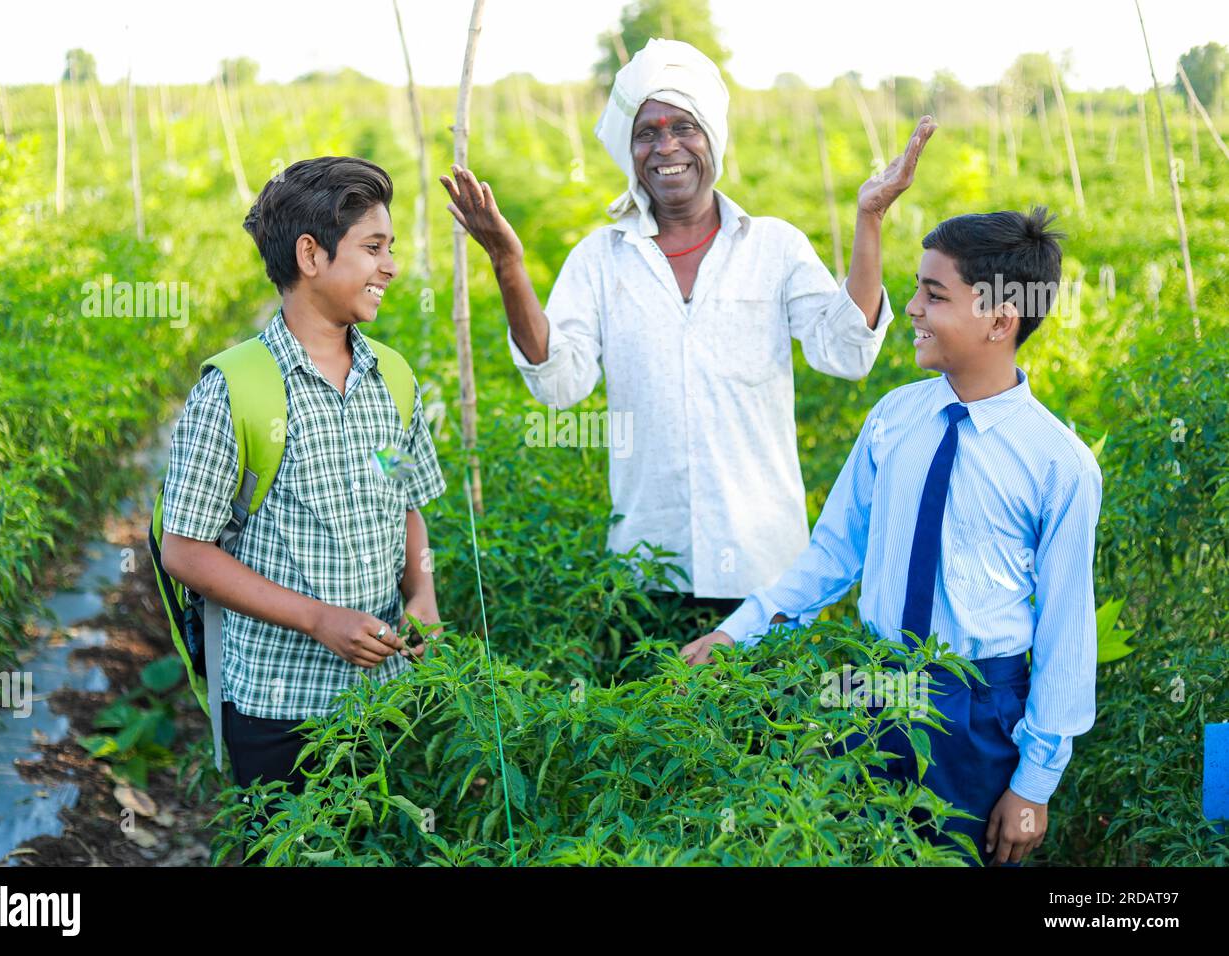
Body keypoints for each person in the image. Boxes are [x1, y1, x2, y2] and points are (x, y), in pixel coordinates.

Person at [441, 38, 935, 625]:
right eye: (646, 132)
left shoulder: (773, 247)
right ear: (630, 152)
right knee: (655, 715)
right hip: (649, 571)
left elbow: (847, 351)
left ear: (712, 140)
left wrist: (870, 218)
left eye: (683, 126)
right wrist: (506, 261)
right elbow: (559, 385)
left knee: (763, 717)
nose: (666, 146)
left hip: (765, 571)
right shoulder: (601, 258)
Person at [682, 207, 1101, 867]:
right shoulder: (894, 419)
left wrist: (1034, 783)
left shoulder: (1059, 463)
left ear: (1000, 319)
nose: (910, 309)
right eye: (917, 289)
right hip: (871, 687)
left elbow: (1065, 632)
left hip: (977, 712)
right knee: (856, 849)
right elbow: (832, 555)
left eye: (934, 295)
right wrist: (740, 630)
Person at [160, 157, 446, 804]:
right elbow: (185, 550)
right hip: (278, 707)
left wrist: (421, 594)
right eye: (373, 248)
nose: (391, 267)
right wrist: (317, 618)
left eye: (390, 248)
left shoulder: (392, 378)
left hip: (381, 699)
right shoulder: (234, 389)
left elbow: (405, 505)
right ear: (311, 255)